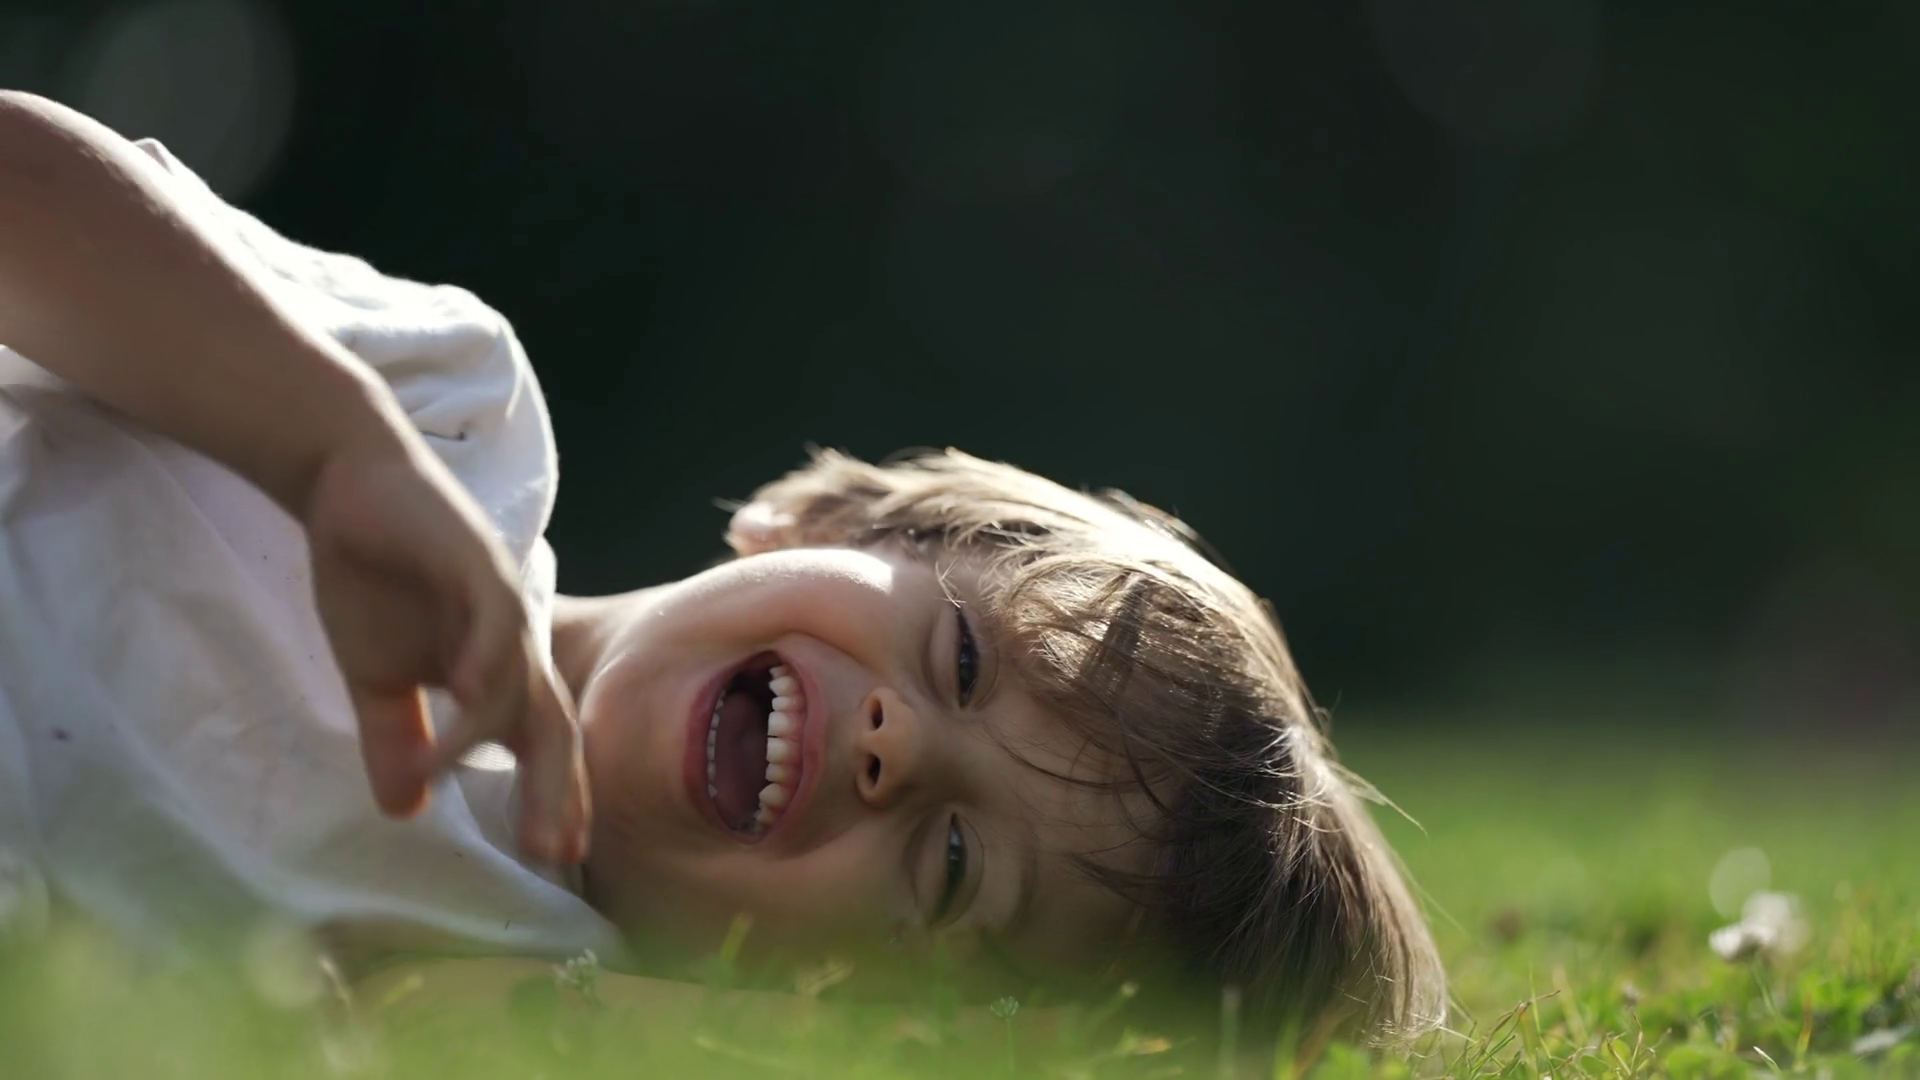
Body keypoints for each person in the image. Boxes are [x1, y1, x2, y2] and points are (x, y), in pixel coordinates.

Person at [0, 91, 1444, 1048]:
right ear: (827, 521)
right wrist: (327, 452)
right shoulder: (452, 424)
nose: (896, 752)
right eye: (960, 664)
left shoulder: (486, 965)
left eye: (953, 867)